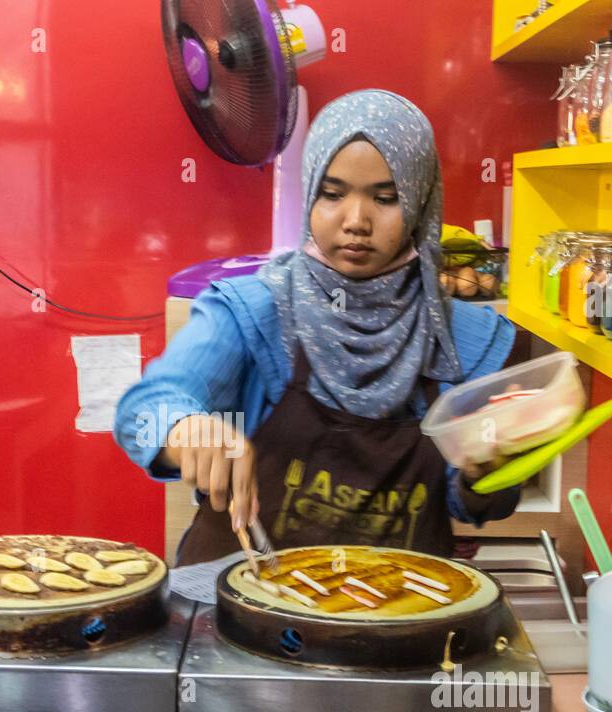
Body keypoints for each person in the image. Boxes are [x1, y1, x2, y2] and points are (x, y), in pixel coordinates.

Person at [114, 90, 522, 565]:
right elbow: (141, 413)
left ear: (420, 202)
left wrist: (485, 473)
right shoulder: (252, 312)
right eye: (332, 194)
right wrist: (185, 429)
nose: (356, 221)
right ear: (309, 192)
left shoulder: (466, 340)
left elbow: (477, 503)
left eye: (386, 198)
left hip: (400, 601)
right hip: (242, 599)